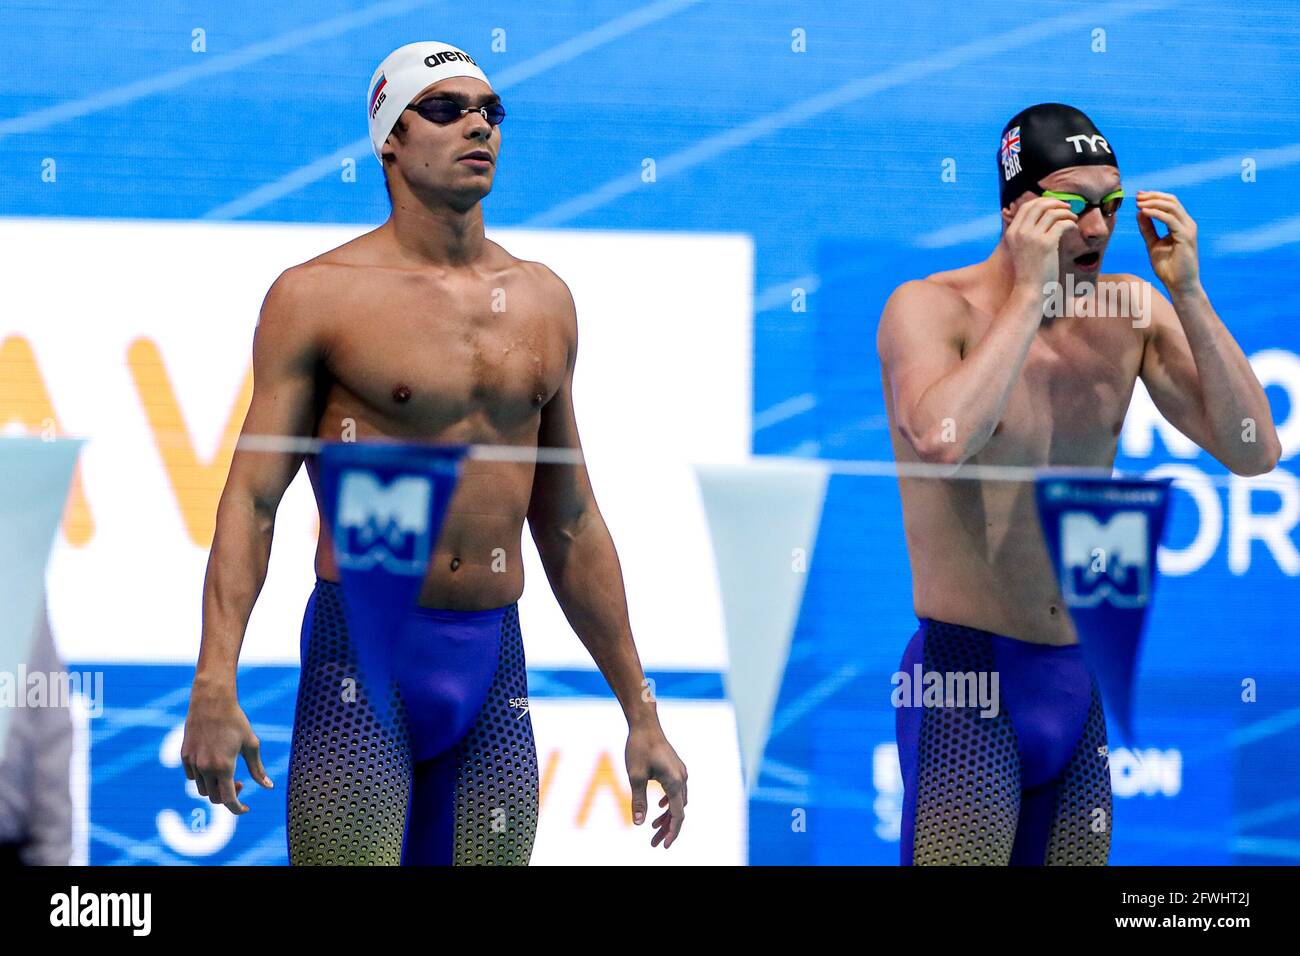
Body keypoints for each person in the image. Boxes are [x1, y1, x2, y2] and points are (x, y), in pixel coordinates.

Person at [182, 41, 687, 865]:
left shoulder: (543, 301)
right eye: (446, 110)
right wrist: (215, 679)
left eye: (491, 111)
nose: (478, 125)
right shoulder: (318, 297)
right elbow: (251, 501)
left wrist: (641, 709)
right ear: (389, 136)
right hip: (366, 658)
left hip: (494, 666)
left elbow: (571, 522)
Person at [878, 103, 1280, 865]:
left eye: (1111, 206)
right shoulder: (929, 308)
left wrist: (1188, 293)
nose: (1097, 228)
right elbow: (939, 441)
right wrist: (1029, 299)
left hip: (1075, 684)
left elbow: (1255, 449)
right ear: (1015, 210)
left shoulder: (1129, 312)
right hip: (967, 685)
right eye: (1073, 207)